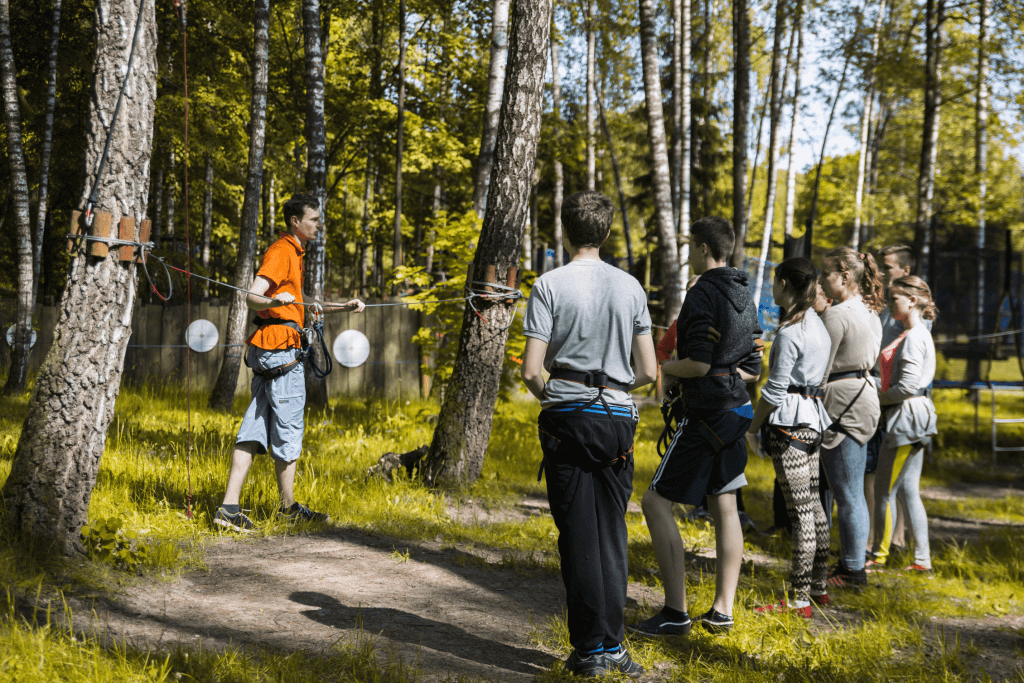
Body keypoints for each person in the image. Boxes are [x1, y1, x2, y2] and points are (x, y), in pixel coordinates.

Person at [521, 191, 656, 679]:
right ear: (607, 231)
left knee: (578, 534)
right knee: (612, 534)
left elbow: (532, 371)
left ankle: (589, 651)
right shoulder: (631, 287)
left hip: (567, 418)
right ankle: (615, 646)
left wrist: (557, 397)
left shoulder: (549, 284)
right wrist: (613, 386)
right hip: (618, 419)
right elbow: (648, 370)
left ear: (565, 229)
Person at [631, 216, 763, 637]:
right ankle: (722, 611)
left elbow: (700, 363)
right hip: (737, 412)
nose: (688, 252)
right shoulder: (745, 291)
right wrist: (724, 377)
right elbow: (752, 369)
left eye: (691, 245)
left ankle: (674, 613)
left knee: (654, 503)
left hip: (706, 415)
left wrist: (665, 368)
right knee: (725, 505)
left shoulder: (703, 293)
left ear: (705, 248)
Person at [213, 193, 365, 532]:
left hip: (272, 349)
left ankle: (228, 508)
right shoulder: (282, 251)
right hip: (281, 350)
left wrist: (341, 307)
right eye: (313, 219)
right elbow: (253, 297)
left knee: (254, 428)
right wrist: (272, 297)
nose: (318, 224)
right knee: (289, 428)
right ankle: (288, 508)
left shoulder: (294, 254)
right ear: (295, 221)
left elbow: (301, 303)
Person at [748, 258, 833, 617]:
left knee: (800, 514)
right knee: (813, 507)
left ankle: (799, 600)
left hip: (788, 426)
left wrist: (752, 427)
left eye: (773, 282)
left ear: (784, 284)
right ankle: (819, 588)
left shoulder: (789, 332)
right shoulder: (819, 327)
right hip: (813, 421)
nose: (771, 289)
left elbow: (774, 392)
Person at [818, 246, 885, 588]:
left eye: (825, 274)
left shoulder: (836, 315)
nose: (820, 281)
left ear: (844, 276)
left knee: (847, 493)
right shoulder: (869, 311)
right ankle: (851, 563)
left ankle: (852, 570)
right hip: (863, 397)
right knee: (853, 491)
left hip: (841, 402)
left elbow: (818, 370)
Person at [868, 276, 938, 573]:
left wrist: (873, 396)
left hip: (906, 418)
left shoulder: (914, 337)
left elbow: (906, 387)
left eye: (894, 298)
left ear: (912, 300)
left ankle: (878, 555)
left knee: (884, 491)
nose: (889, 303)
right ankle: (922, 560)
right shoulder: (914, 332)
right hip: (915, 417)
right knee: (908, 490)